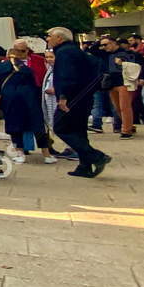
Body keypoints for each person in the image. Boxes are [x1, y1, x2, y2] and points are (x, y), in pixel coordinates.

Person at [45, 27, 110, 178]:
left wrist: (63, 97)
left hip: (73, 98)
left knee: (61, 127)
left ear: (60, 38)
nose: (47, 39)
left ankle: (95, 156)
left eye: (49, 36)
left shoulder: (64, 52)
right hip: (84, 96)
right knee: (79, 131)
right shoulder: (74, 50)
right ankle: (84, 166)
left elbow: (67, 76)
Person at [0, 43, 54, 164]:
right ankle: (24, 152)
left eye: (24, 50)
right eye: (19, 50)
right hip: (24, 99)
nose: (22, 53)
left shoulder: (37, 60)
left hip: (27, 99)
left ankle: (44, 153)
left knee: (35, 126)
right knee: (21, 126)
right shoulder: (7, 66)